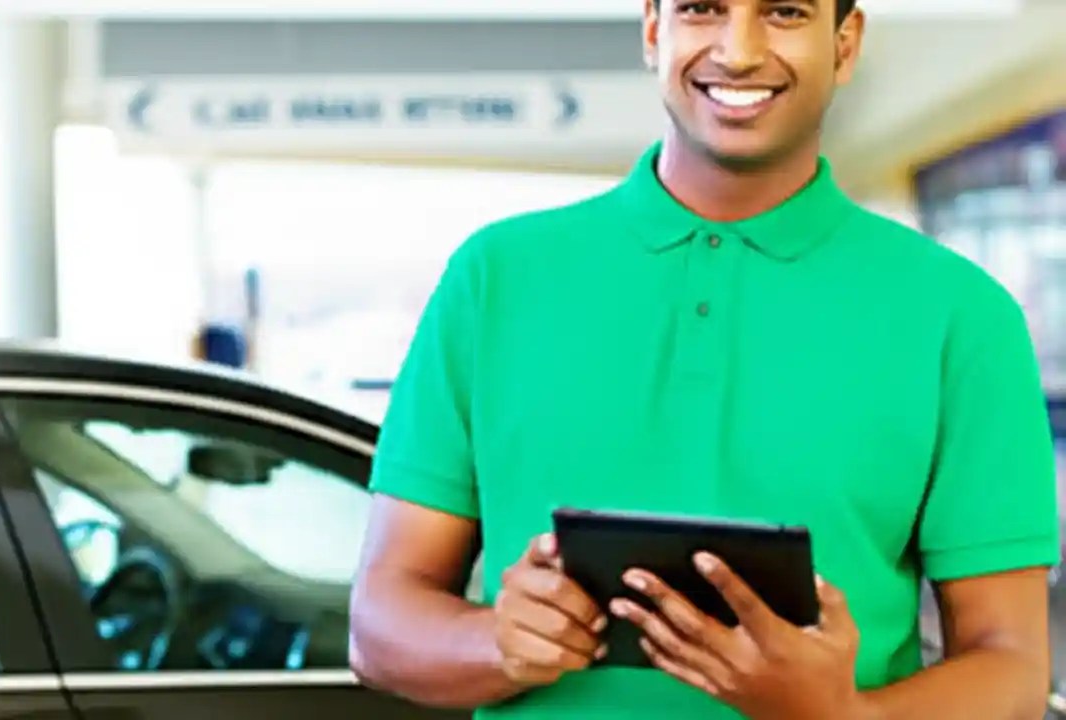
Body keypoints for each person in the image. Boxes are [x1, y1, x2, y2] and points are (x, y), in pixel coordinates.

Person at [348, 0, 1060, 717]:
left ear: (844, 44)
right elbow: (379, 623)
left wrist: (844, 715)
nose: (738, 51)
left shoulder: (963, 316)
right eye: (701, 9)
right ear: (654, 30)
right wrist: (495, 643)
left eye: (784, 12)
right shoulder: (494, 279)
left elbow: (1013, 668)